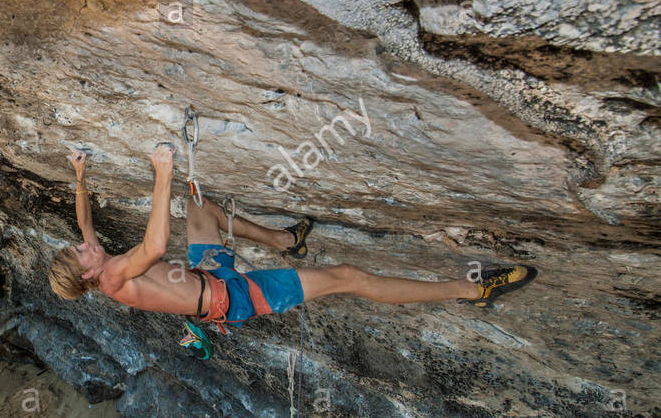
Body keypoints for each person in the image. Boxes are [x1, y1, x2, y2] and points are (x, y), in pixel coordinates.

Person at [47, 147, 536, 350]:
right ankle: (469, 291)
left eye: (78, 248)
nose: (83, 246)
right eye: (79, 254)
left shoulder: (97, 261)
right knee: (348, 277)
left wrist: (80, 174)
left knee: (202, 209)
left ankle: (286, 240)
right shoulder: (113, 277)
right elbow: (154, 243)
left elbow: (85, 223)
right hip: (234, 298)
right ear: (89, 276)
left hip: (207, 276)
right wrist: (162, 173)